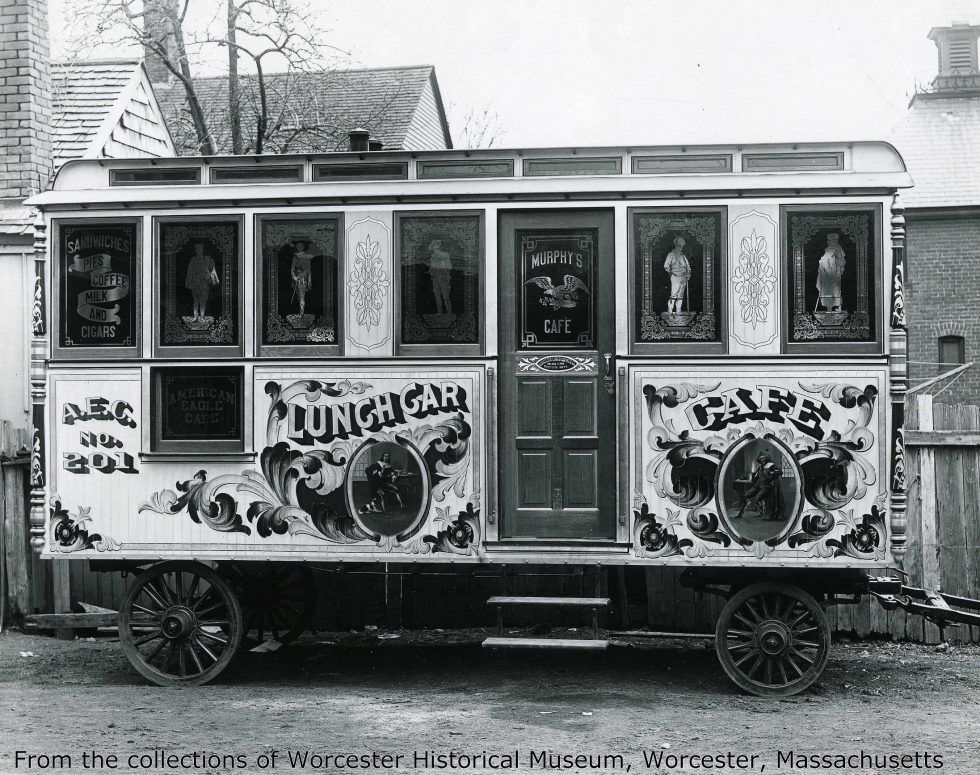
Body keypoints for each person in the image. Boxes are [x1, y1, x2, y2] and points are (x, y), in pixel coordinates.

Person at [734, 451, 783, 521]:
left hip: (766, 486)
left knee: (758, 498)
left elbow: (780, 472)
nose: (762, 460)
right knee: (745, 496)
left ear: (766, 458)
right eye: (761, 459)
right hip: (758, 485)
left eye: (763, 458)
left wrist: (771, 472)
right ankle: (740, 514)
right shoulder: (760, 467)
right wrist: (753, 476)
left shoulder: (771, 465)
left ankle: (763, 512)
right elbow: (756, 476)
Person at [184, 243, 219, 321]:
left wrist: (213, 279)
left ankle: (202, 317)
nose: (200, 251)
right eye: (198, 249)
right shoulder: (193, 260)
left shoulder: (207, 259)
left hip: (204, 282)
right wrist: (188, 282)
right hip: (195, 282)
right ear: (196, 251)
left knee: (203, 300)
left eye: (201, 249)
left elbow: (212, 269)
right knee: (196, 300)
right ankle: (195, 316)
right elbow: (189, 271)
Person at [815, 232, 846, 312]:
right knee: (833, 291)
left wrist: (822, 262)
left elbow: (825, 262)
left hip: (831, 275)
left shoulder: (834, 250)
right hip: (831, 274)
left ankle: (834, 308)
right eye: (828, 240)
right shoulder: (834, 249)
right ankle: (833, 308)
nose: (828, 242)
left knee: (832, 291)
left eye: (829, 240)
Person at [663, 236, 691, 313]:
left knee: (681, 294)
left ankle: (678, 310)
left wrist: (688, 273)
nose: (680, 247)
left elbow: (688, 266)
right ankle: (670, 310)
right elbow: (666, 266)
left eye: (681, 246)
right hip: (675, 276)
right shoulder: (671, 254)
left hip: (684, 277)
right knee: (674, 293)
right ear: (676, 245)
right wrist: (672, 273)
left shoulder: (683, 256)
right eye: (679, 245)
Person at [427, 239, 453, 314]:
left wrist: (442, 268)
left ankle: (449, 313)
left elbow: (449, 266)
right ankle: (439, 312)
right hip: (435, 278)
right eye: (433, 247)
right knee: (437, 296)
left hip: (444, 277)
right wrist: (430, 271)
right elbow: (432, 267)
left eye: (436, 246)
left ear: (438, 247)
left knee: (446, 296)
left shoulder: (445, 255)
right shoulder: (433, 256)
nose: (434, 248)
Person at [290, 239, 314, 315]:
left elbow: (307, 269)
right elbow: (292, 268)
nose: (299, 247)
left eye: (300, 246)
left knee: (302, 296)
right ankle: (299, 311)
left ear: (303, 247)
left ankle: (301, 312)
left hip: (302, 279)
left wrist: (300, 276)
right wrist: (294, 276)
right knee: (298, 295)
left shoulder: (307, 256)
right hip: (296, 278)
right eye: (297, 246)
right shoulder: (295, 256)